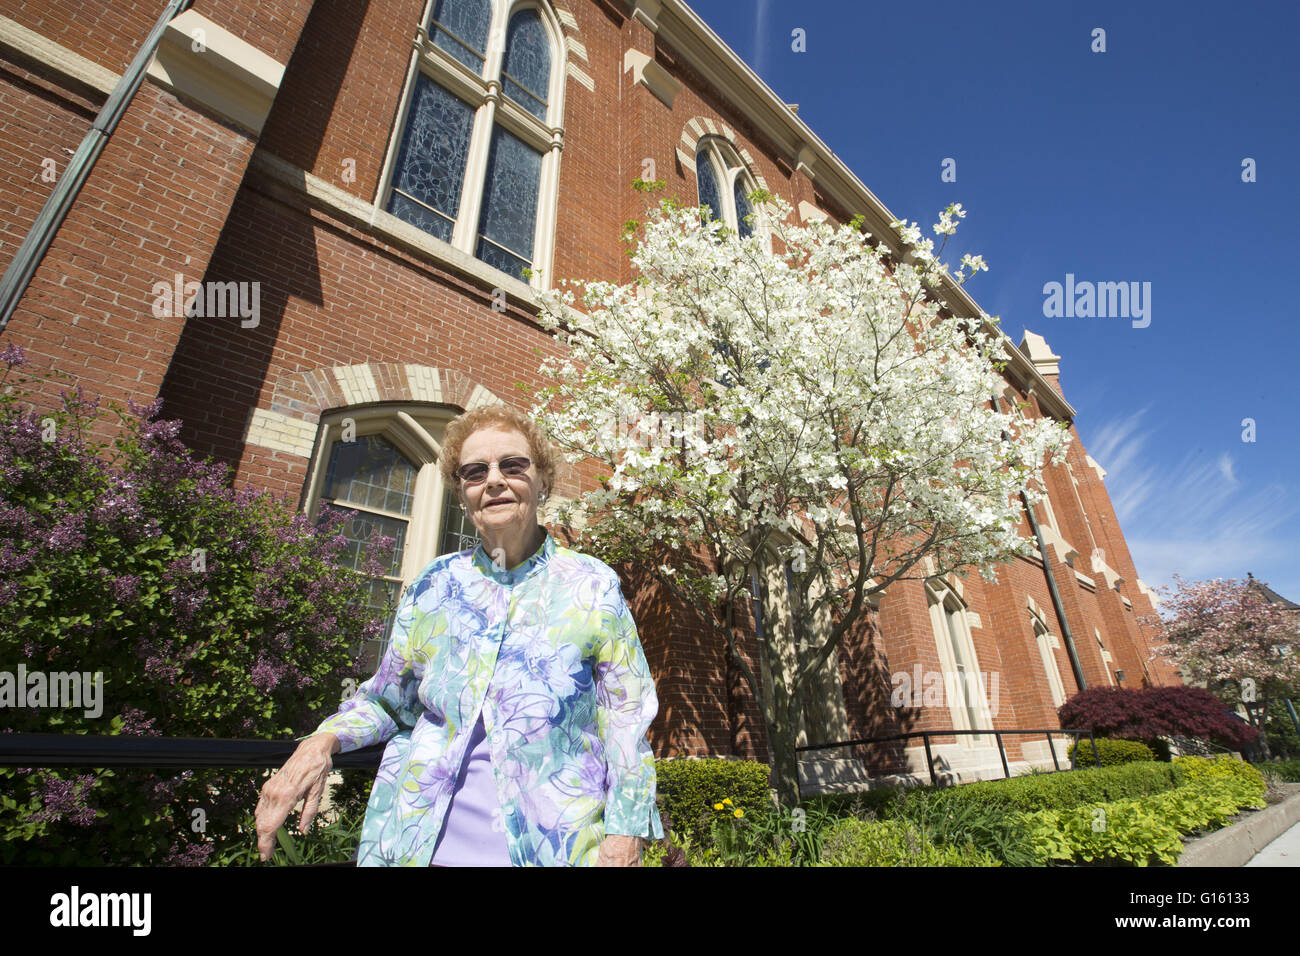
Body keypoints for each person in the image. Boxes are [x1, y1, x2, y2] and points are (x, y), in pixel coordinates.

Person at [254, 404, 663, 866]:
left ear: (543, 480)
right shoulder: (434, 585)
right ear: (461, 492)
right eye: (474, 471)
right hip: (417, 847)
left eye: (513, 465)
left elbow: (626, 721)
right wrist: (319, 743)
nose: (493, 480)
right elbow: (389, 700)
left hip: (555, 850)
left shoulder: (592, 585)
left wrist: (625, 835)